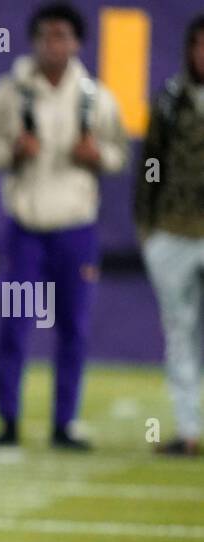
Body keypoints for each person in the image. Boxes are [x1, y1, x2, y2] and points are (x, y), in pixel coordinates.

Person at [0, 2, 128, 451]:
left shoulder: (95, 96)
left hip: (76, 227)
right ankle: (8, 421)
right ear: (34, 41)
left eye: (62, 36)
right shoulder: (11, 92)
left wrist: (99, 157)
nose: (53, 44)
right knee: (14, 325)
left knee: (74, 327)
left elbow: (119, 153)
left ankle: (65, 422)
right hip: (26, 225)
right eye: (46, 36)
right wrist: (12, 153)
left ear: (78, 43)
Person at [135, 15, 204, 458]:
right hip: (173, 232)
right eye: (199, 45)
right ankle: (189, 429)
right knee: (179, 331)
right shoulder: (169, 100)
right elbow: (149, 166)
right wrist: (148, 227)